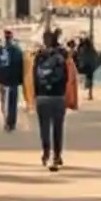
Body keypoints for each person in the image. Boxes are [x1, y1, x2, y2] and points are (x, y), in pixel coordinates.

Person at [24, 29, 77, 171]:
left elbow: (33, 76)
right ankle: (57, 155)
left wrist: (34, 95)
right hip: (58, 96)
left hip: (42, 97)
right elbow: (67, 76)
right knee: (58, 128)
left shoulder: (39, 56)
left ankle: (46, 153)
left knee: (44, 127)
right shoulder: (62, 56)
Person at [0, 29, 25, 131]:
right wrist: (20, 79)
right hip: (13, 80)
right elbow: (21, 66)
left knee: (3, 101)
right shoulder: (17, 50)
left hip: (2, 80)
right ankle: (11, 122)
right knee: (12, 102)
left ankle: (6, 120)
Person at [75, 36, 100, 101]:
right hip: (90, 66)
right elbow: (96, 57)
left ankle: (88, 92)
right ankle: (90, 94)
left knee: (86, 78)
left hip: (84, 66)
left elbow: (80, 57)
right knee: (90, 79)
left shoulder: (83, 49)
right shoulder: (92, 49)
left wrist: (80, 63)